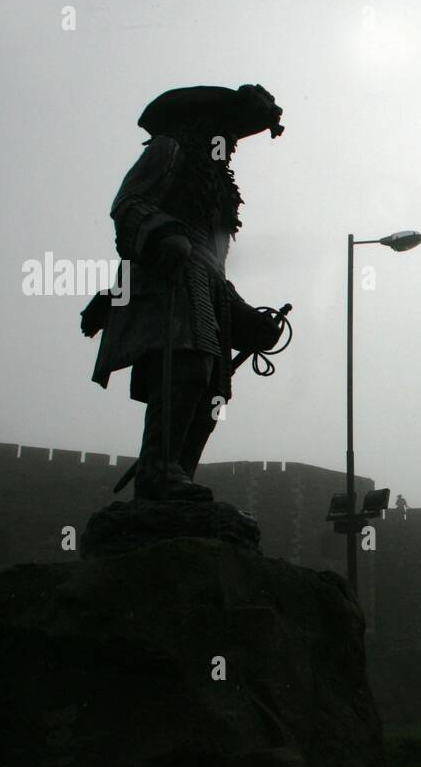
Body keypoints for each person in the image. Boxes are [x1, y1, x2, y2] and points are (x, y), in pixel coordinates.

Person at [82, 85, 286, 500]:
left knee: (213, 387)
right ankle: (157, 471)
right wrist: (163, 233)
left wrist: (248, 321)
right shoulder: (168, 151)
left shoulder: (219, 194)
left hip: (206, 286)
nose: (228, 145)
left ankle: (179, 477)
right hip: (164, 278)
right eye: (224, 134)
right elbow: (128, 204)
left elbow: (215, 268)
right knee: (186, 368)